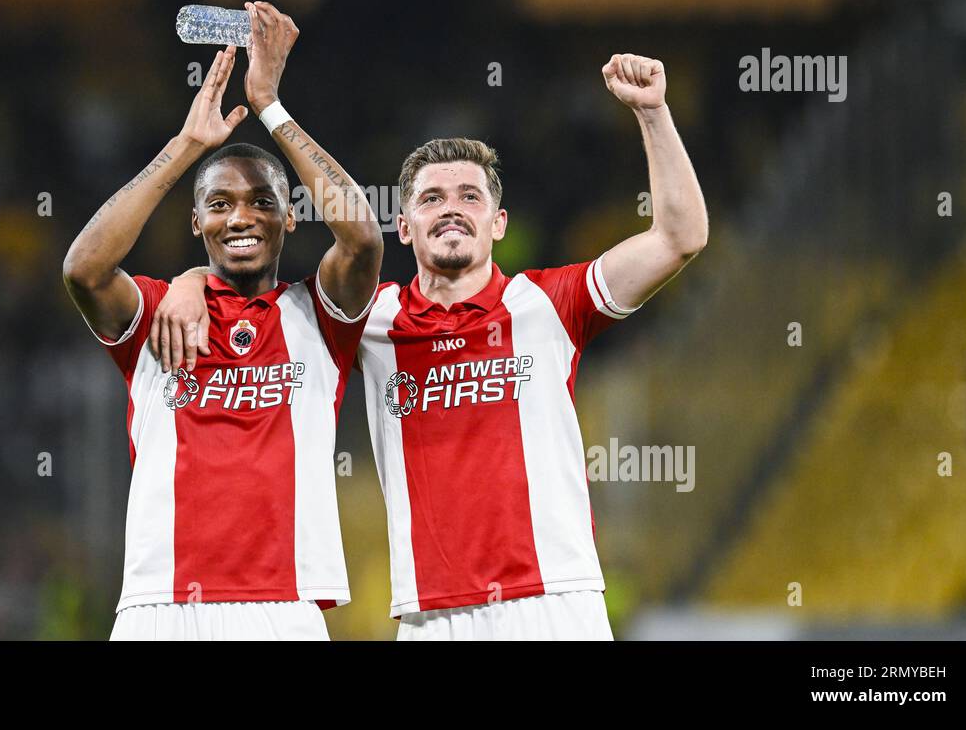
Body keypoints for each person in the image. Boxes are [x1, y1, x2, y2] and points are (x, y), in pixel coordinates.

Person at [154, 53, 707, 639]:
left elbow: (680, 236)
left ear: (499, 223)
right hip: (429, 615)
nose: (451, 208)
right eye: (430, 198)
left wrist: (653, 114)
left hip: (554, 599)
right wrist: (195, 280)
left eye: (470, 197)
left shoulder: (548, 304)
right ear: (404, 226)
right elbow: (263, 285)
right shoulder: (370, 319)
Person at [62, 1, 382, 640]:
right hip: (160, 603)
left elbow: (364, 238)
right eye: (219, 204)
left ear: (290, 218)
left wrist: (269, 106)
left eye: (263, 202)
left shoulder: (318, 318)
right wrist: (186, 147)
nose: (241, 217)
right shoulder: (158, 312)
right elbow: (84, 269)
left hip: (282, 607)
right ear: (196, 222)